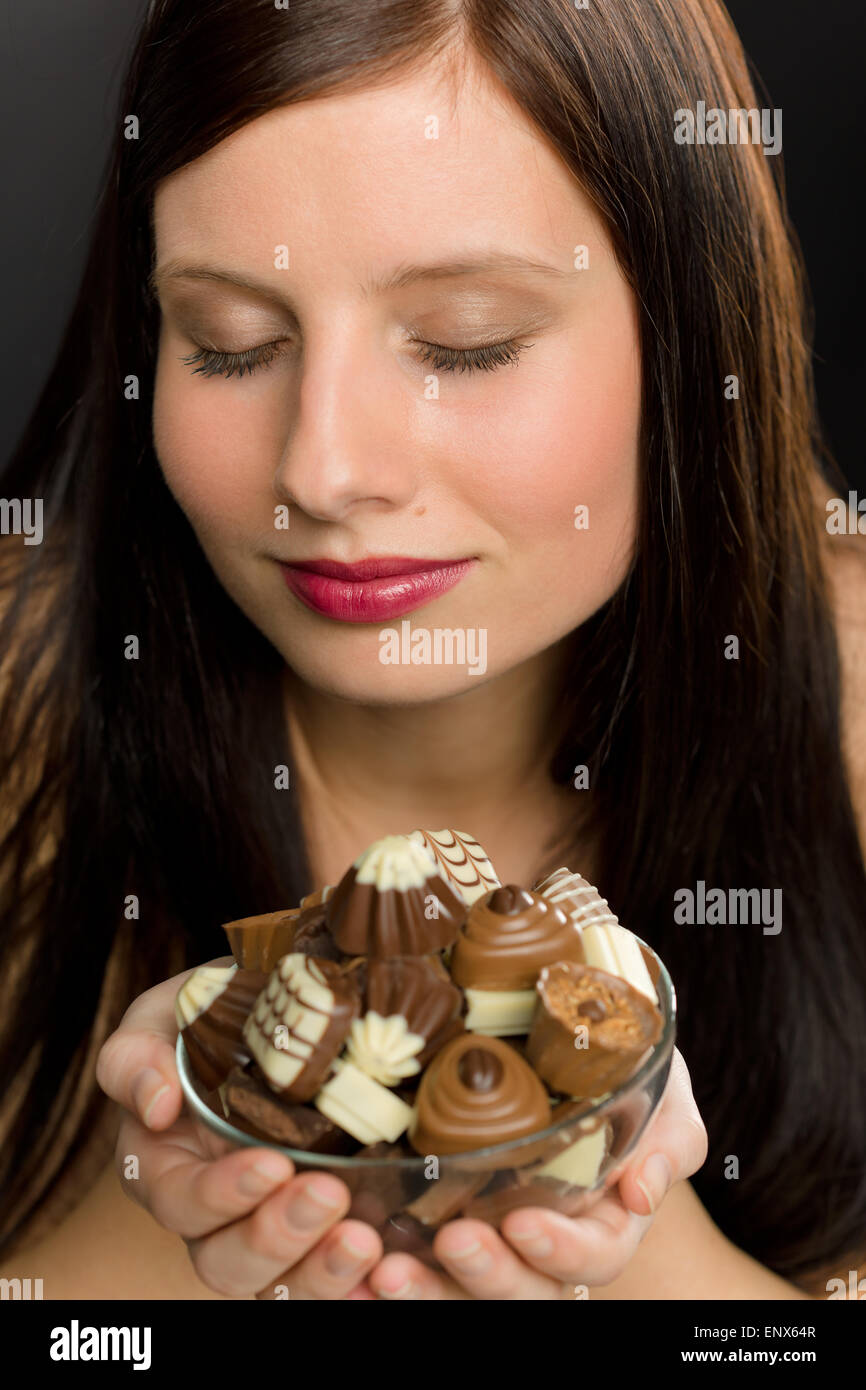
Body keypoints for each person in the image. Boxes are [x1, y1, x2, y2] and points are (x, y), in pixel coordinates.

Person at [0, 0, 863, 1300]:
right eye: (230, 344)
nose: (324, 470)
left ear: (692, 336)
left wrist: (615, 1211)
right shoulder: (25, 721)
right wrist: (201, 1172)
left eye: (466, 341)